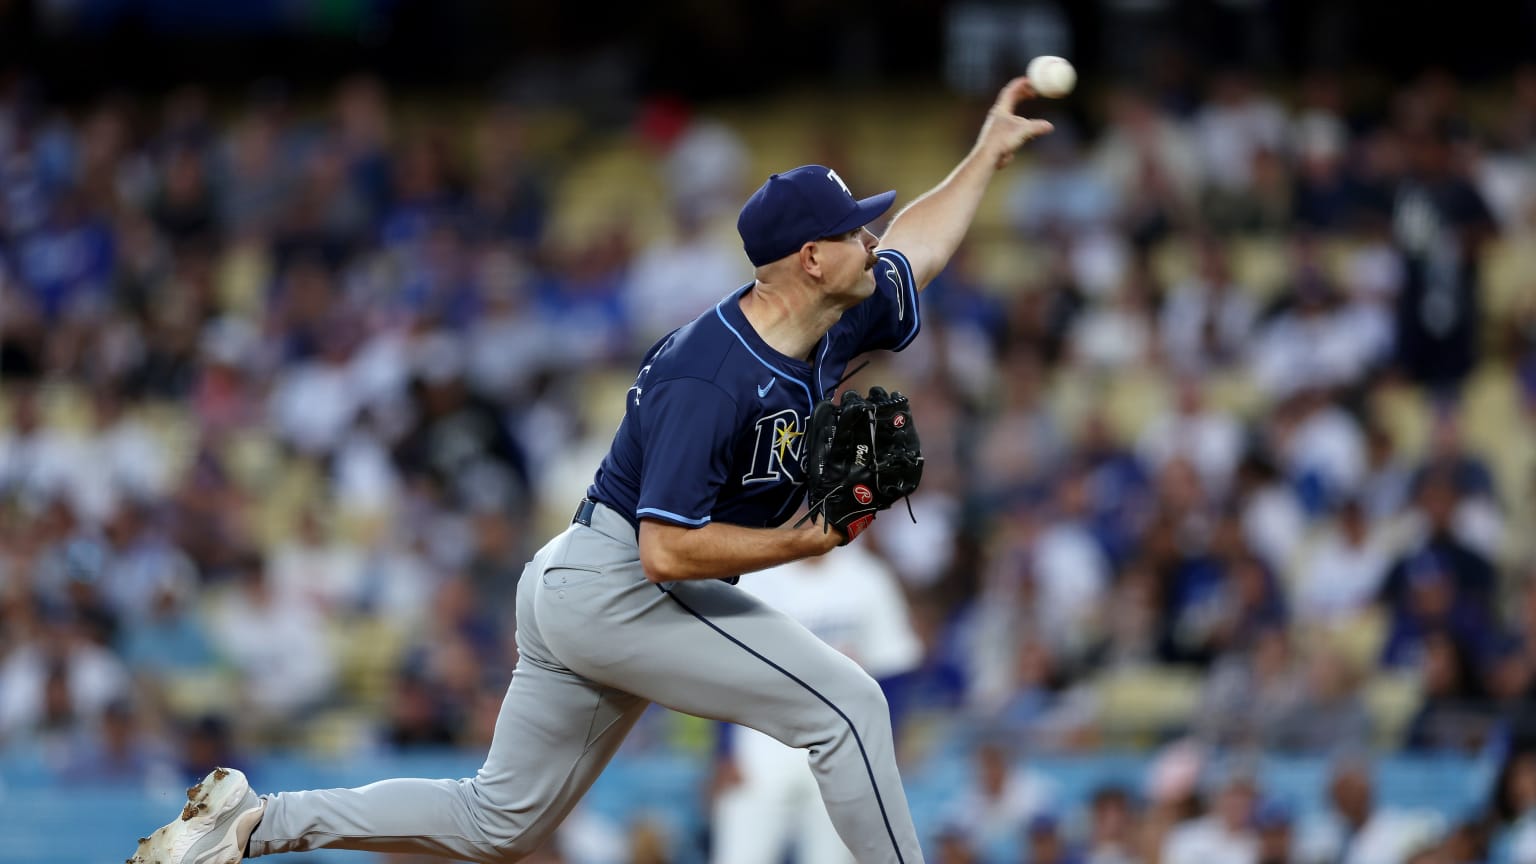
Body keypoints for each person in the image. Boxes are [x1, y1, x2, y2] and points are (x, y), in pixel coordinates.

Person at [128, 78, 1055, 864]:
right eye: (856, 233)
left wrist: (985, 154)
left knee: (501, 824)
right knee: (847, 707)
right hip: (619, 584)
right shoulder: (713, 373)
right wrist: (802, 540)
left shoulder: (828, 313)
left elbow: (918, 252)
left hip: (579, 577)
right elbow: (665, 552)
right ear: (811, 259)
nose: (873, 240)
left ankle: (256, 825)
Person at [710, 544, 923, 864]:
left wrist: (881, 753)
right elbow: (725, 668)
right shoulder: (753, 572)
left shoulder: (868, 577)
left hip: (841, 744)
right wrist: (724, 749)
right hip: (761, 742)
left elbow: (891, 672)